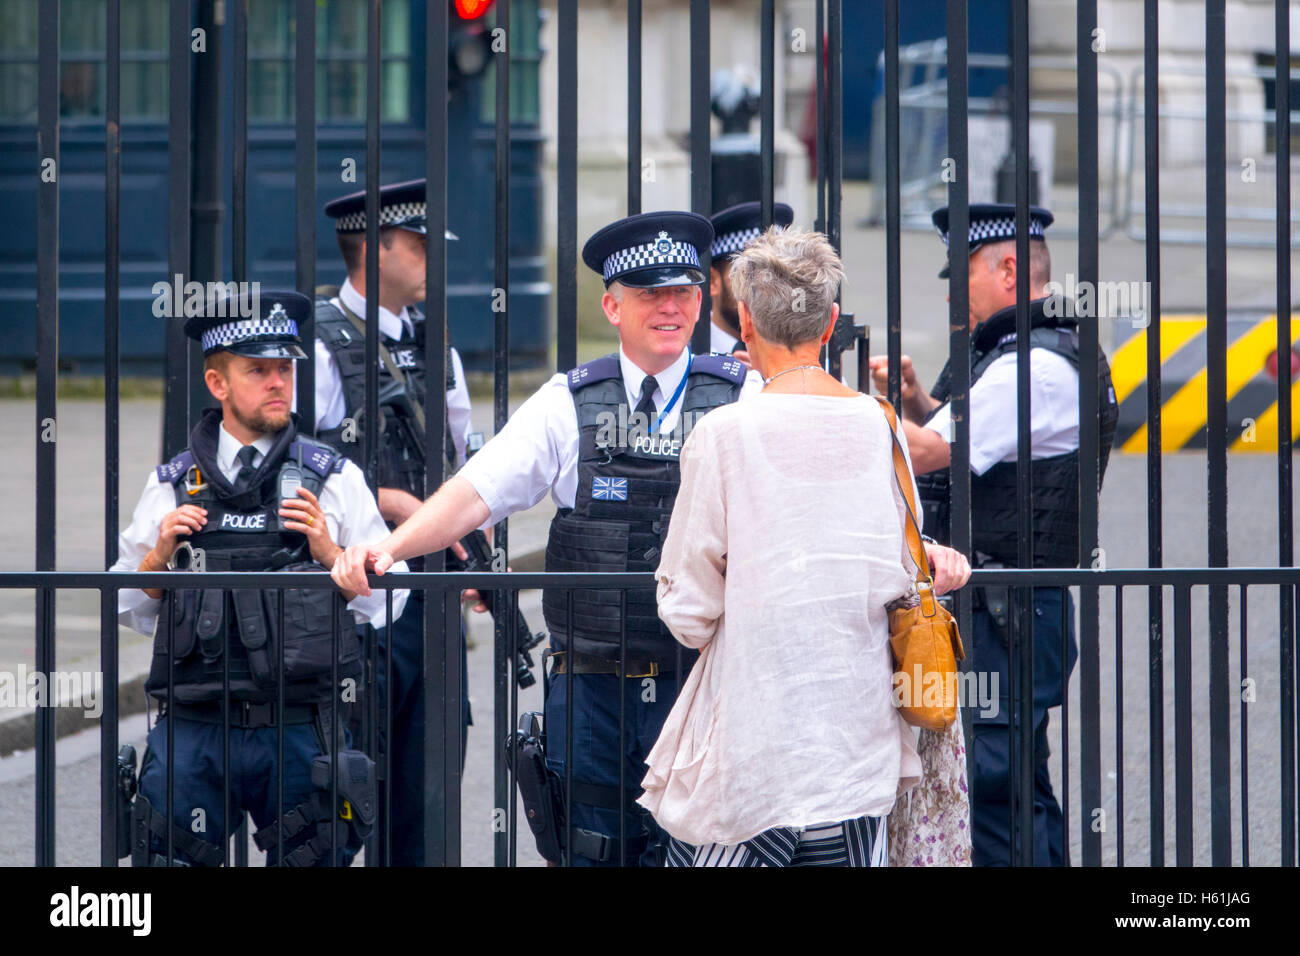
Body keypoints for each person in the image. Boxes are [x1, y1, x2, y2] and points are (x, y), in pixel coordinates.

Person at [639, 226, 970, 867]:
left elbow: (686, 613)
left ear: (744, 322)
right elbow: (902, 565)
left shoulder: (723, 435)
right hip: (857, 746)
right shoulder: (881, 425)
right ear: (831, 324)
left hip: (751, 749)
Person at [111, 290, 408, 866]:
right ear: (218, 384)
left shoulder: (333, 478)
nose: (278, 382)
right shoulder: (173, 483)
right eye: (258, 371)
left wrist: (333, 555)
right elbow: (125, 605)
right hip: (195, 728)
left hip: (298, 728)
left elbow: (389, 604)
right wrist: (157, 560)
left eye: (285, 368)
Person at [868, 203, 1119, 866]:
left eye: (962, 275)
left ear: (1008, 269)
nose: (953, 291)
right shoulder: (1020, 353)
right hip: (1007, 608)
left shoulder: (1031, 368)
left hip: (1006, 613)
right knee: (1015, 782)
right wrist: (918, 403)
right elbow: (962, 443)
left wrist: (844, 413)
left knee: (994, 788)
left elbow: (928, 454)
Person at [315, 178, 475, 866]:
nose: (432, 259)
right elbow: (292, 478)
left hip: (434, 596)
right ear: (377, 255)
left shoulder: (437, 346)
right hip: (359, 598)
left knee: (428, 792)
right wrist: (388, 501)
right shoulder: (317, 348)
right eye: (418, 246)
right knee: (349, 790)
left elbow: (461, 458)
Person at [707, 200, 794, 359]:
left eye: (775, 272)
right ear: (713, 281)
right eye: (748, 273)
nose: (765, 285)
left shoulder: (806, 354)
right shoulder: (684, 355)